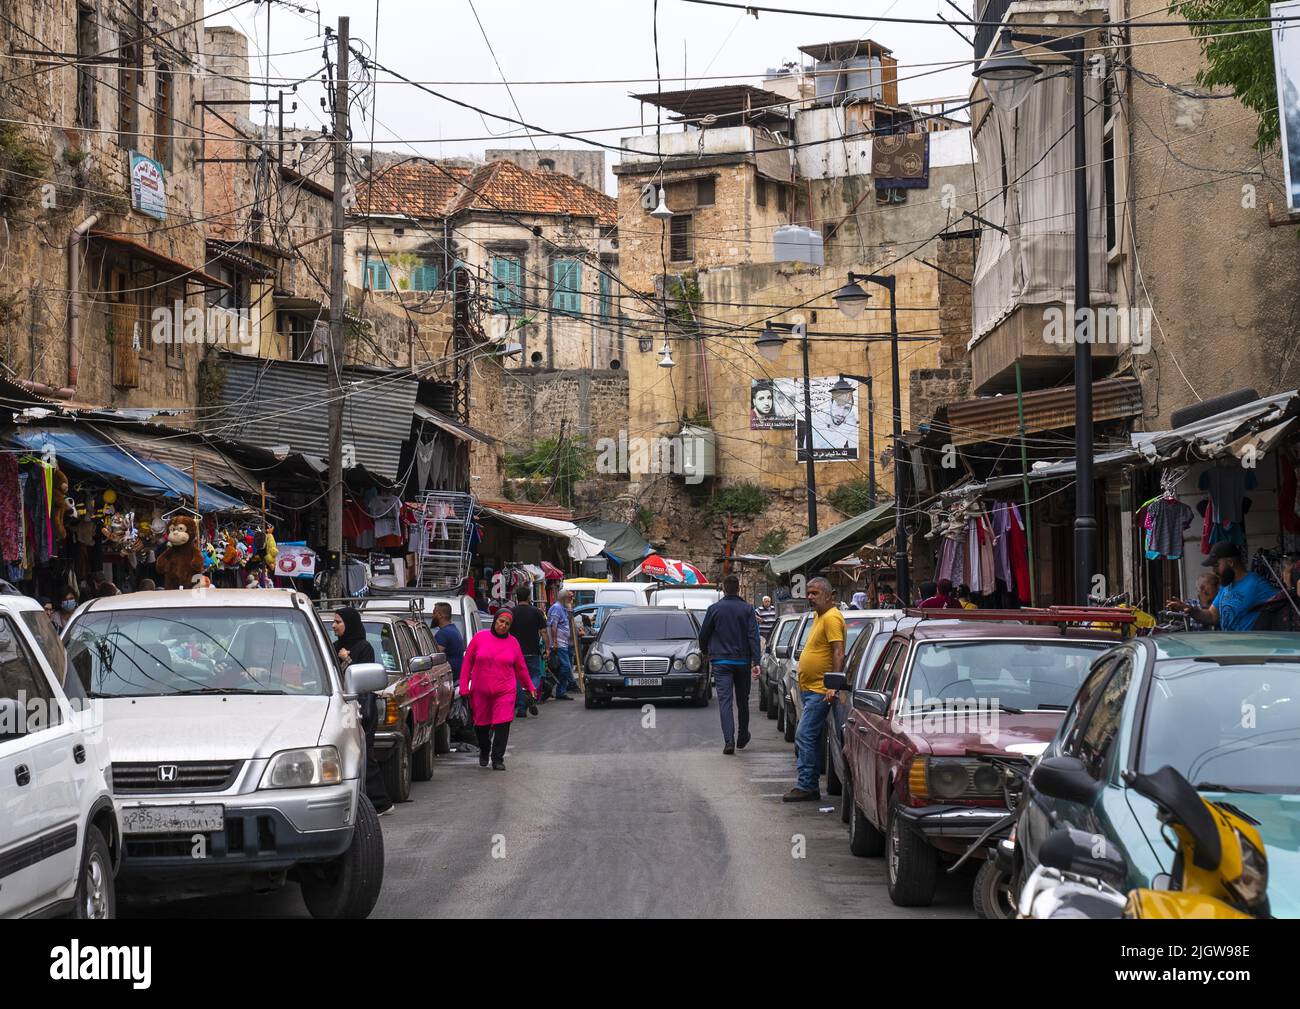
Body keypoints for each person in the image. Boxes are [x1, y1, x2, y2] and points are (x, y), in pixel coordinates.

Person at [784, 577, 846, 802]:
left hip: (821, 689)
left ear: (829, 596)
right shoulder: (818, 616)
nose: (809, 597)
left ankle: (807, 785)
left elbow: (838, 652)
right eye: (808, 593)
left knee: (804, 735)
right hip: (810, 688)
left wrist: (833, 684)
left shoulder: (831, 618)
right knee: (810, 736)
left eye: (815, 593)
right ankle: (807, 783)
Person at [332, 607, 393, 815]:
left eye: (338, 622)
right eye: (334, 622)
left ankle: (381, 803)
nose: (334, 626)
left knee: (364, 754)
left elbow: (359, 677)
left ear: (349, 624)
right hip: (340, 708)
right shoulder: (334, 647)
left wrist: (346, 660)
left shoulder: (363, 647)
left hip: (360, 709)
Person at [461, 608, 536, 770]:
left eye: (507, 624)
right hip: (480, 690)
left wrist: (530, 686)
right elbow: (467, 663)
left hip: (505, 690)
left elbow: (521, 668)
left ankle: (497, 759)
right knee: (481, 726)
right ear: (495, 620)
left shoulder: (513, 643)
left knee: (503, 724)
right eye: (501, 621)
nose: (503, 625)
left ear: (510, 626)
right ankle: (484, 750)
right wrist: (463, 686)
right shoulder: (479, 638)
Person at [698, 574, 762, 755]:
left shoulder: (714, 609)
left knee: (725, 702)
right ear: (739, 589)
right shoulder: (747, 609)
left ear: (724, 589)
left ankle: (729, 741)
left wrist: (705, 652)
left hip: (721, 662)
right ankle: (743, 736)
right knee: (743, 701)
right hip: (742, 661)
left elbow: (703, 635)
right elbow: (753, 636)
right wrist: (756, 661)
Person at [1167, 542, 1277, 631]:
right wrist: (1191, 611)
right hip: (1231, 651)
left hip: (1248, 652)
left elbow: (1283, 601)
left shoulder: (1255, 583)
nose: (1214, 571)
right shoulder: (1226, 586)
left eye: (1216, 566)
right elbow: (1212, 616)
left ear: (1230, 562)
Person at [508, 586, 546, 718]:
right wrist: (547, 648)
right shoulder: (536, 612)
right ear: (529, 597)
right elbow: (544, 632)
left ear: (516, 597)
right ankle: (530, 693)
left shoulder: (511, 613)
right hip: (533, 651)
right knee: (535, 675)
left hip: (515, 653)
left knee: (517, 679)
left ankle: (522, 708)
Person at [546, 589, 578, 700]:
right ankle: (570, 684)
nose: (571, 599)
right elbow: (553, 626)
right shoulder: (557, 608)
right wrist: (554, 641)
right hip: (559, 643)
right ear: (564, 597)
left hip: (564, 642)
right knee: (565, 666)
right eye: (570, 597)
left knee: (564, 666)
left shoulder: (564, 608)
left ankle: (561, 691)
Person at [431, 602, 466, 684]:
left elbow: (434, 655)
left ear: (440, 615)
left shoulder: (444, 633)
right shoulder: (453, 629)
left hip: (450, 681)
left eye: (434, 613)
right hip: (456, 679)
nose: (432, 616)